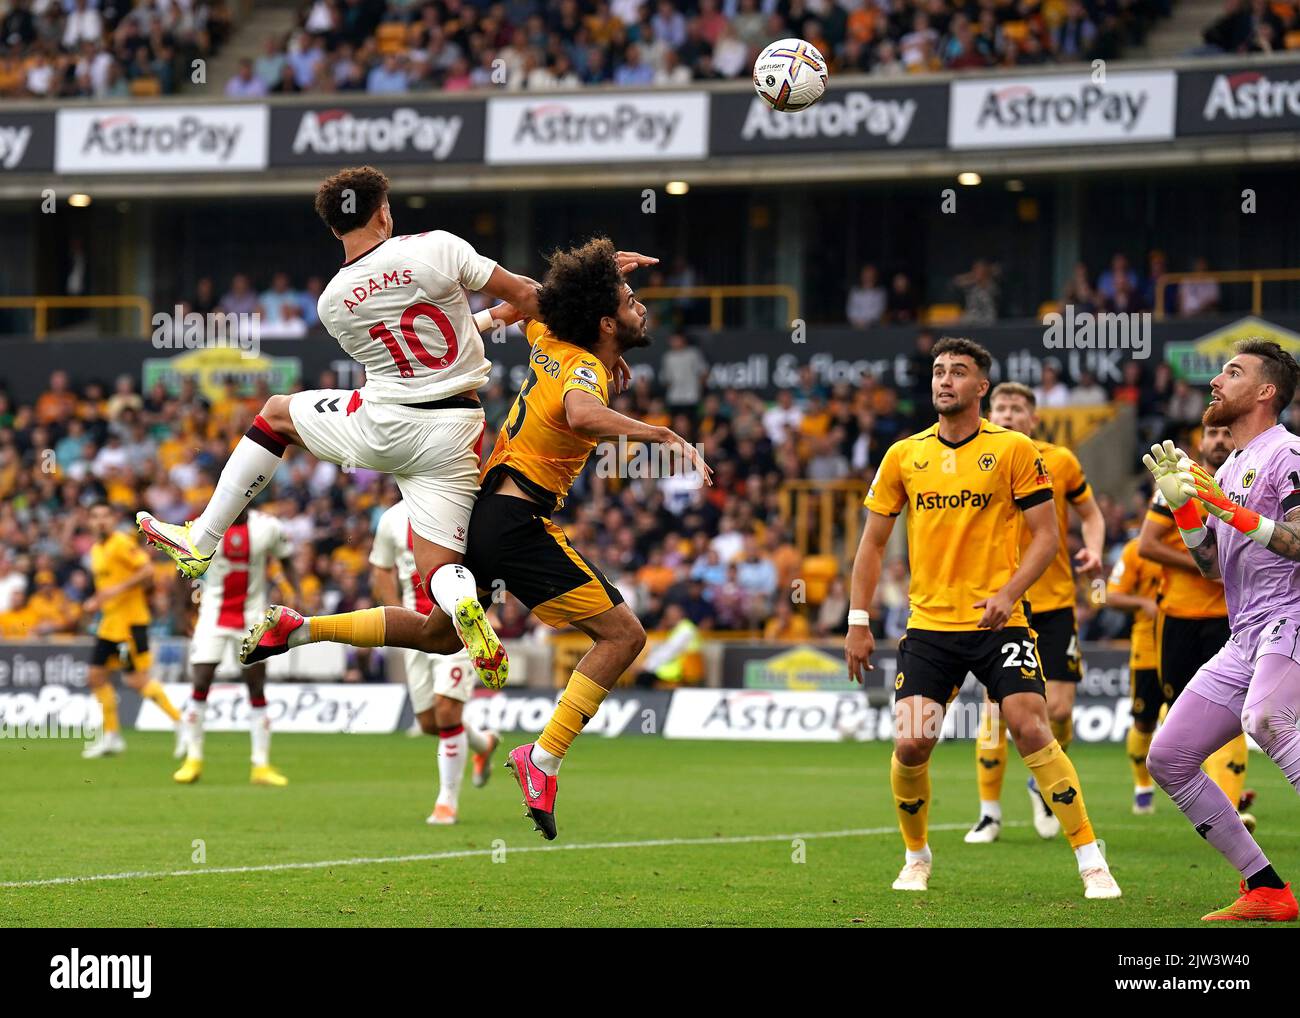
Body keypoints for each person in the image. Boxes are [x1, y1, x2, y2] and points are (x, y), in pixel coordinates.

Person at [243, 238, 709, 842]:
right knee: (624, 635)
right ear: (603, 320)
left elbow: (544, 304)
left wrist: (601, 275)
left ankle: (299, 628)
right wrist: (659, 432)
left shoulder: (554, 341)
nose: (641, 306)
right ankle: (542, 759)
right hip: (516, 519)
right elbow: (579, 415)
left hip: (487, 510)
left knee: (439, 634)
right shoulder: (587, 368)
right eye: (629, 300)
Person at [137, 166, 543, 691]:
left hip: (381, 425)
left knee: (277, 414)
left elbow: (404, 350)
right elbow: (523, 298)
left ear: (333, 229)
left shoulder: (333, 303)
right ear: (384, 212)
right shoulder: (437, 248)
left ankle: (203, 536)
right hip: (452, 428)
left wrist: (483, 322)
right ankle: (460, 596)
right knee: (439, 566)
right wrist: (552, 297)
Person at [845, 336, 1120, 899]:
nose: (944, 380)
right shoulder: (904, 455)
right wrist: (858, 618)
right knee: (912, 745)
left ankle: (1092, 861)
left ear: (981, 387)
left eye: (958, 372)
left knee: (1031, 727)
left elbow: (1048, 538)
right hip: (929, 627)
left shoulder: (1017, 450)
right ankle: (916, 856)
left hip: (1003, 623)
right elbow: (872, 544)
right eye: (938, 371)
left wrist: (1008, 592)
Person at [1144, 339, 1300, 921]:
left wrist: (1229, 510)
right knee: (1170, 757)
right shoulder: (1229, 467)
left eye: (1231, 372)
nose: (1215, 381)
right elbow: (1214, 567)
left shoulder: (1289, 456)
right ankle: (1267, 889)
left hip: (1293, 618)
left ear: (1266, 392)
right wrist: (1187, 514)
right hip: (1247, 635)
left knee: (1264, 719)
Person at [964, 383, 1105, 845]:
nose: (1006, 414)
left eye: (1016, 408)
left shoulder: (1060, 461)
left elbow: (1091, 514)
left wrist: (1095, 550)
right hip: (999, 601)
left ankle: (1043, 786)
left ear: (1033, 419)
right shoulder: (973, 459)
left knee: (1059, 708)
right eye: (999, 407)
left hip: (1056, 600)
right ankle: (989, 813)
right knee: (997, 710)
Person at [1137, 425, 1250, 826]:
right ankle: (1191, 791)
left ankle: (1231, 806)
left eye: (1225, 433)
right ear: (1200, 441)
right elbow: (1146, 545)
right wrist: (1207, 565)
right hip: (1178, 616)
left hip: (1229, 617)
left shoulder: (1244, 480)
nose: (1218, 440)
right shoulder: (1178, 481)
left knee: (1234, 711)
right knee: (1177, 708)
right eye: (1211, 434)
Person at [369, 499, 499, 824]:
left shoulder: (459, 506)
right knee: (429, 722)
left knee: (446, 710)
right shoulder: (391, 519)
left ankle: (447, 802)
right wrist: (398, 614)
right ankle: (484, 743)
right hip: (416, 632)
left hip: (457, 626)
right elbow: (382, 568)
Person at [172, 508, 296, 787]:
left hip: (251, 617)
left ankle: (261, 765)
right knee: (201, 680)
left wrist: (296, 592)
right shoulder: (204, 526)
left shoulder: (267, 527)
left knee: (256, 684)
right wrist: (180, 613)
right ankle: (193, 759)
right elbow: (181, 565)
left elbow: (287, 558)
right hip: (212, 615)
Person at [81, 502, 182, 759]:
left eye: (105, 515)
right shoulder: (96, 550)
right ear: (90, 522)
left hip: (128, 625)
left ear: (112, 520)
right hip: (109, 626)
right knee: (95, 677)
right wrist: (97, 600)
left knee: (136, 680)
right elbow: (108, 585)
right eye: (95, 516)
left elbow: (147, 570)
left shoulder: (121, 543)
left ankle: (182, 723)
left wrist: (116, 591)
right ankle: (112, 736)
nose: (100, 521)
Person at [1105, 536, 1166, 815]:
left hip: (1188, 641)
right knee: (1144, 720)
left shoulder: (1198, 538)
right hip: (1146, 646)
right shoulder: (1136, 549)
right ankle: (1143, 787)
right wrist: (1142, 602)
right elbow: (1109, 595)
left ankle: (1224, 790)